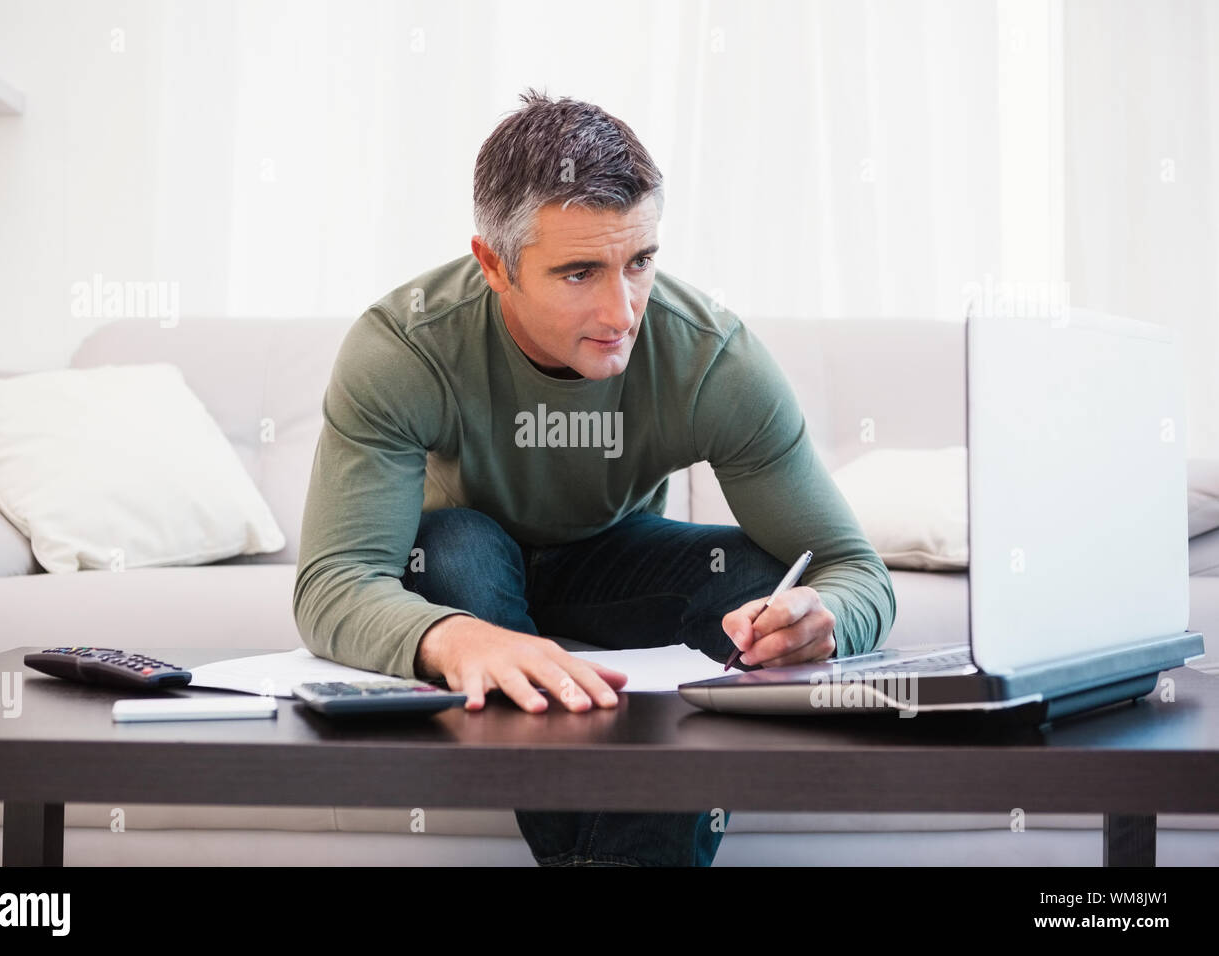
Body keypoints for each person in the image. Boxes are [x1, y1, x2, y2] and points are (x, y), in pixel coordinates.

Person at [293, 87, 896, 866]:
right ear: (494, 266)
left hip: (611, 564)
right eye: (579, 273)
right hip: (463, 567)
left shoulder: (711, 357)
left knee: (753, 574)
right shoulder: (403, 347)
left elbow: (855, 569)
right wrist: (456, 638)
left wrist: (825, 620)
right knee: (457, 550)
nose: (623, 310)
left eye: (639, 262)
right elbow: (334, 580)